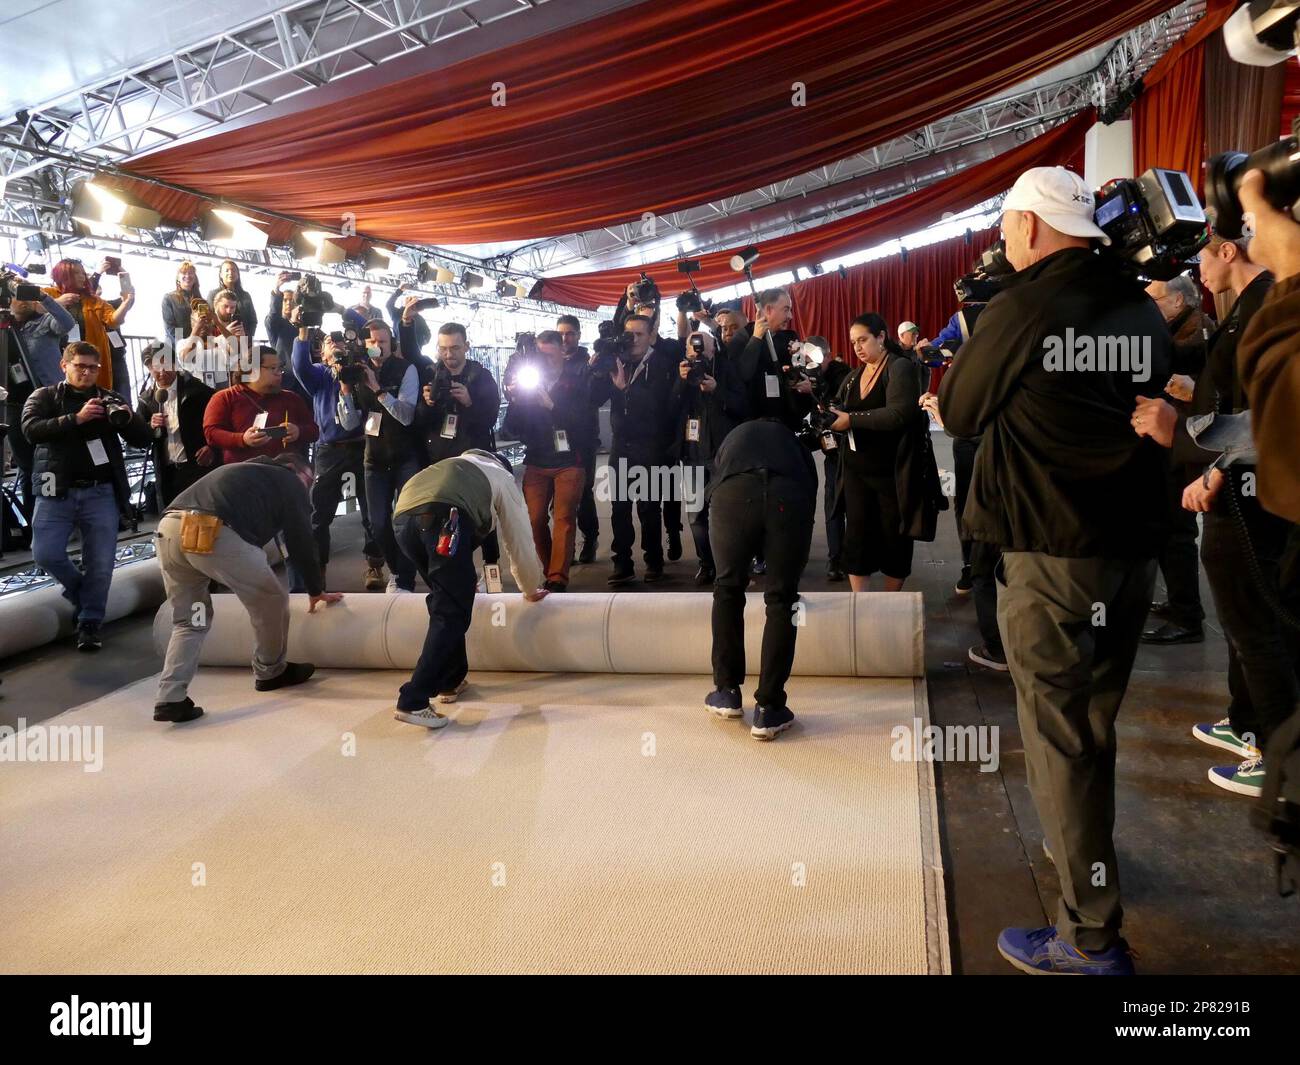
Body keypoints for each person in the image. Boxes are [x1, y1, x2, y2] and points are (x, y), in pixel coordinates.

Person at [938, 166, 1172, 975]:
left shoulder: (1027, 304)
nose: (1001, 245)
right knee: (1090, 730)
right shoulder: (1138, 301)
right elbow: (1164, 401)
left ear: (1032, 227)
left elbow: (961, 408)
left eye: (1006, 230)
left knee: (1058, 739)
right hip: (1129, 554)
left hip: (1052, 553)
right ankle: (1088, 867)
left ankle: (1089, 936)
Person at [1133, 230, 1292, 799]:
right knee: (1240, 621)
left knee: (1257, 628)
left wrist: (1209, 464)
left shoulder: (1267, 305)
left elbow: (1264, 414)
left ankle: (1279, 760)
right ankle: (1247, 722)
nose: (1196, 267)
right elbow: (1233, 395)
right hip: (1239, 491)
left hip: (1247, 497)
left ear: (1230, 250)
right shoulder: (1250, 306)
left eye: (1204, 253)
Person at [152, 453, 342, 723]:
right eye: (309, 480)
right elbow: (300, 539)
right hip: (212, 533)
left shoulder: (245, 472)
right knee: (272, 601)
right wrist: (315, 589)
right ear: (295, 470)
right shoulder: (288, 480)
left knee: (190, 620)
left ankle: (170, 697)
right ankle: (270, 670)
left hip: (170, 532)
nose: (308, 488)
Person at [391, 450, 547, 726]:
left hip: (403, 520)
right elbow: (518, 537)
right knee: (451, 609)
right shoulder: (501, 476)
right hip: (443, 517)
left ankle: (451, 681)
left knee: (447, 599)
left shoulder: (451, 464)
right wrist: (530, 587)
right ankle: (413, 700)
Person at [21, 342, 153, 651]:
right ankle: (83, 593)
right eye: (80, 366)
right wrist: (75, 419)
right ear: (63, 366)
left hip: (100, 489)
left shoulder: (109, 398)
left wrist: (129, 416)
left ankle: (90, 623)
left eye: (93, 367)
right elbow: (30, 430)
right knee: (45, 554)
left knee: (101, 562)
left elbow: (143, 438)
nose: (87, 372)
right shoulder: (44, 396)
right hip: (55, 487)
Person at [705, 419, 817, 739]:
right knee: (783, 599)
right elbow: (810, 491)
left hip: (732, 494)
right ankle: (769, 709)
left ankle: (726, 692)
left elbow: (714, 476)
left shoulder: (732, 436)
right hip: (789, 496)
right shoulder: (792, 442)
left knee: (727, 588)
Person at [1140, 273, 1213, 645]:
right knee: (1169, 530)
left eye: (1154, 301)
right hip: (1177, 443)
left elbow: (1183, 377)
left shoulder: (1196, 333)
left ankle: (1188, 616)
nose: (1148, 308)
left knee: (1177, 533)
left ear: (1178, 302)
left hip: (1184, 445)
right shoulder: (1182, 329)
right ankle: (1180, 602)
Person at [829, 314, 924, 592]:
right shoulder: (853, 376)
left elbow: (899, 414)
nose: (857, 347)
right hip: (857, 471)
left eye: (863, 340)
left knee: (895, 538)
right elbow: (838, 407)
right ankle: (861, 604)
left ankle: (890, 603)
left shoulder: (899, 368)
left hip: (892, 472)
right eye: (853, 342)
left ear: (881, 337)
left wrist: (852, 419)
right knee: (856, 538)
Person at [287, 314, 383, 589]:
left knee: (371, 512)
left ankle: (375, 566)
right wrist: (303, 331)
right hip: (329, 450)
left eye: (341, 341)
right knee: (320, 514)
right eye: (331, 342)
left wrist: (349, 321)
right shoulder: (318, 375)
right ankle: (318, 570)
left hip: (364, 447)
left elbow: (378, 346)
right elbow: (299, 364)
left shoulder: (363, 369)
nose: (337, 345)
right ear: (323, 352)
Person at [589, 314, 679, 585]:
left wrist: (626, 388)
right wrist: (597, 372)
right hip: (621, 445)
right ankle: (623, 562)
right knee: (619, 508)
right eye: (629, 335)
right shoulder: (617, 360)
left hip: (651, 445)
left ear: (652, 335)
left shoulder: (663, 364)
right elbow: (593, 399)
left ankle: (654, 560)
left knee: (649, 507)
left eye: (640, 334)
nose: (634, 340)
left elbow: (661, 406)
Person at [340, 318, 423, 592]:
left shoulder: (405, 369)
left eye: (383, 341)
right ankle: (398, 572)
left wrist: (377, 389)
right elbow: (350, 423)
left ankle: (405, 579)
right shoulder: (356, 372)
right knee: (377, 523)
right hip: (374, 459)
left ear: (392, 343)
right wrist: (345, 393)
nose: (377, 346)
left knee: (406, 521)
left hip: (404, 456)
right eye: (372, 342)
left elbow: (407, 417)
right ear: (365, 344)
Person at [503, 331, 589, 591]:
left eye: (549, 354)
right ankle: (551, 564)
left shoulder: (576, 381)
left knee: (563, 517)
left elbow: (584, 424)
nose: (544, 360)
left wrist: (552, 406)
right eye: (540, 355)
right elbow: (511, 430)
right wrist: (516, 400)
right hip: (537, 459)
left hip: (570, 459)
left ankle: (557, 577)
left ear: (562, 352)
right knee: (534, 519)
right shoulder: (530, 385)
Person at [672, 327, 745, 585]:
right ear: (686, 350)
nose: (698, 351)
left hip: (723, 453)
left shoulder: (726, 369)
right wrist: (681, 381)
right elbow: (669, 408)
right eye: (693, 346)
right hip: (692, 454)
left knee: (727, 511)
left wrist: (717, 390)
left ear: (714, 348)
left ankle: (730, 564)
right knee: (695, 514)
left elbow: (743, 405)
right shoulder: (681, 371)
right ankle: (706, 563)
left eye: (703, 345)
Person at [5, 287, 76, 513]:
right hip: (15, 403)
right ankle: (35, 519)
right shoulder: (5, 329)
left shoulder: (43, 323)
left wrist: (43, 297)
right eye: (15, 296)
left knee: (51, 460)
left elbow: (66, 322)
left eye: (22, 295)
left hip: (47, 400)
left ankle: (56, 512)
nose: (21, 300)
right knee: (27, 465)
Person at [135, 340, 219, 507]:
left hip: (198, 465)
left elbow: (219, 423)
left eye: (166, 365)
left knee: (204, 517)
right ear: (149, 368)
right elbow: (138, 438)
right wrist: (149, 426)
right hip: (168, 471)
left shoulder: (199, 391)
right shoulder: (146, 399)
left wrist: (212, 447)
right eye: (155, 368)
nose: (162, 372)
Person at [202, 344, 318, 464]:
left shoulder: (292, 398)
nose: (279, 373)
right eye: (273, 368)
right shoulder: (225, 397)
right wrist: (242, 439)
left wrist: (299, 431)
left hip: (286, 473)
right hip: (242, 474)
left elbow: (314, 431)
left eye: (280, 368)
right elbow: (211, 433)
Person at [42, 259, 130, 392]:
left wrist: (128, 299)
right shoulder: (47, 294)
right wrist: (57, 302)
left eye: (83, 273)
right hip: (59, 360)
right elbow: (29, 309)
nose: (82, 276)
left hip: (98, 357)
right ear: (64, 274)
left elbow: (114, 320)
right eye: (77, 273)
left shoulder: (94, 301)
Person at [557, 314, 601, 564]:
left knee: (582, 492)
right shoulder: (547, 362)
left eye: (570, 333)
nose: (565, 338)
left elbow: (592, 397)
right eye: (561, 333)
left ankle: (590, 537)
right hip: (554, 438)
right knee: (559, 494)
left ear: (578, 334)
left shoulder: (588, 362)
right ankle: (566, 545)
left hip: (583, 438)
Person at [808, 335, 849, 581]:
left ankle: (852, 555)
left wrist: (816, 389)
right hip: (830, 449)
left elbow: (841, 406)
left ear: (827, 355)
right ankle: (835, 558)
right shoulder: (807, 375)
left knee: (852, 507)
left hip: (852, 449)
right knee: (832, 505)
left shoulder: (844, 375)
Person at [206, 259, 258, 339]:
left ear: (238, 274)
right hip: (220, 340)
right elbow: (209, 320)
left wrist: (247, 337)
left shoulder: (245, 295)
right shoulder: (213, 294)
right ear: (221, 274)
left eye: (233, 270)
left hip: (243, 340)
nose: (230, 273)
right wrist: (224, 333)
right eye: (227, 270)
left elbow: (253, 320)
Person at [161, 261, 203, 343]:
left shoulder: (201, 301)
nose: (187, 276)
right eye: (184, 273)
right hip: (177, 347)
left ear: (195, 278)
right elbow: (170, 327)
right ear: (178, 278)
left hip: (198, 345)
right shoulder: (169, 298)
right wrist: (185, 343)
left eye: (191, 273)